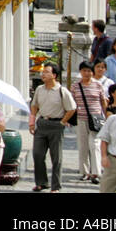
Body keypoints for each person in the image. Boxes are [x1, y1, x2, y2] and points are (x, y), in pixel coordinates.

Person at [29, 62, 76, 192]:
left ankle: (56, 186)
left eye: (46, 72)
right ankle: (41, 182)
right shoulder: (39, 89)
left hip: (56, 125)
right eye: (43, 72)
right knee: (37, 154)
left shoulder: (62, 91)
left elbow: (71, 108)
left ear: (54, 75)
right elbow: (34, 105)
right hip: (42, 123)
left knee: (56, 158)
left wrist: (62, 122)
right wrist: (32, 121)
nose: (43, 74)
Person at [72, 61, 107, 183]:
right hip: (81, 119)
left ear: (92, 72)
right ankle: (84, 171)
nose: (86, 73)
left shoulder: (98, 85)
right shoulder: (75, 86)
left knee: (95, 145)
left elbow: (103, 101)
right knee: (83, 146)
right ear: (80, 72)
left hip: (96, 119)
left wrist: (105, 116)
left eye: (89, 71)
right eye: (84, 70)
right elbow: (72, 103)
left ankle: (96, 172)